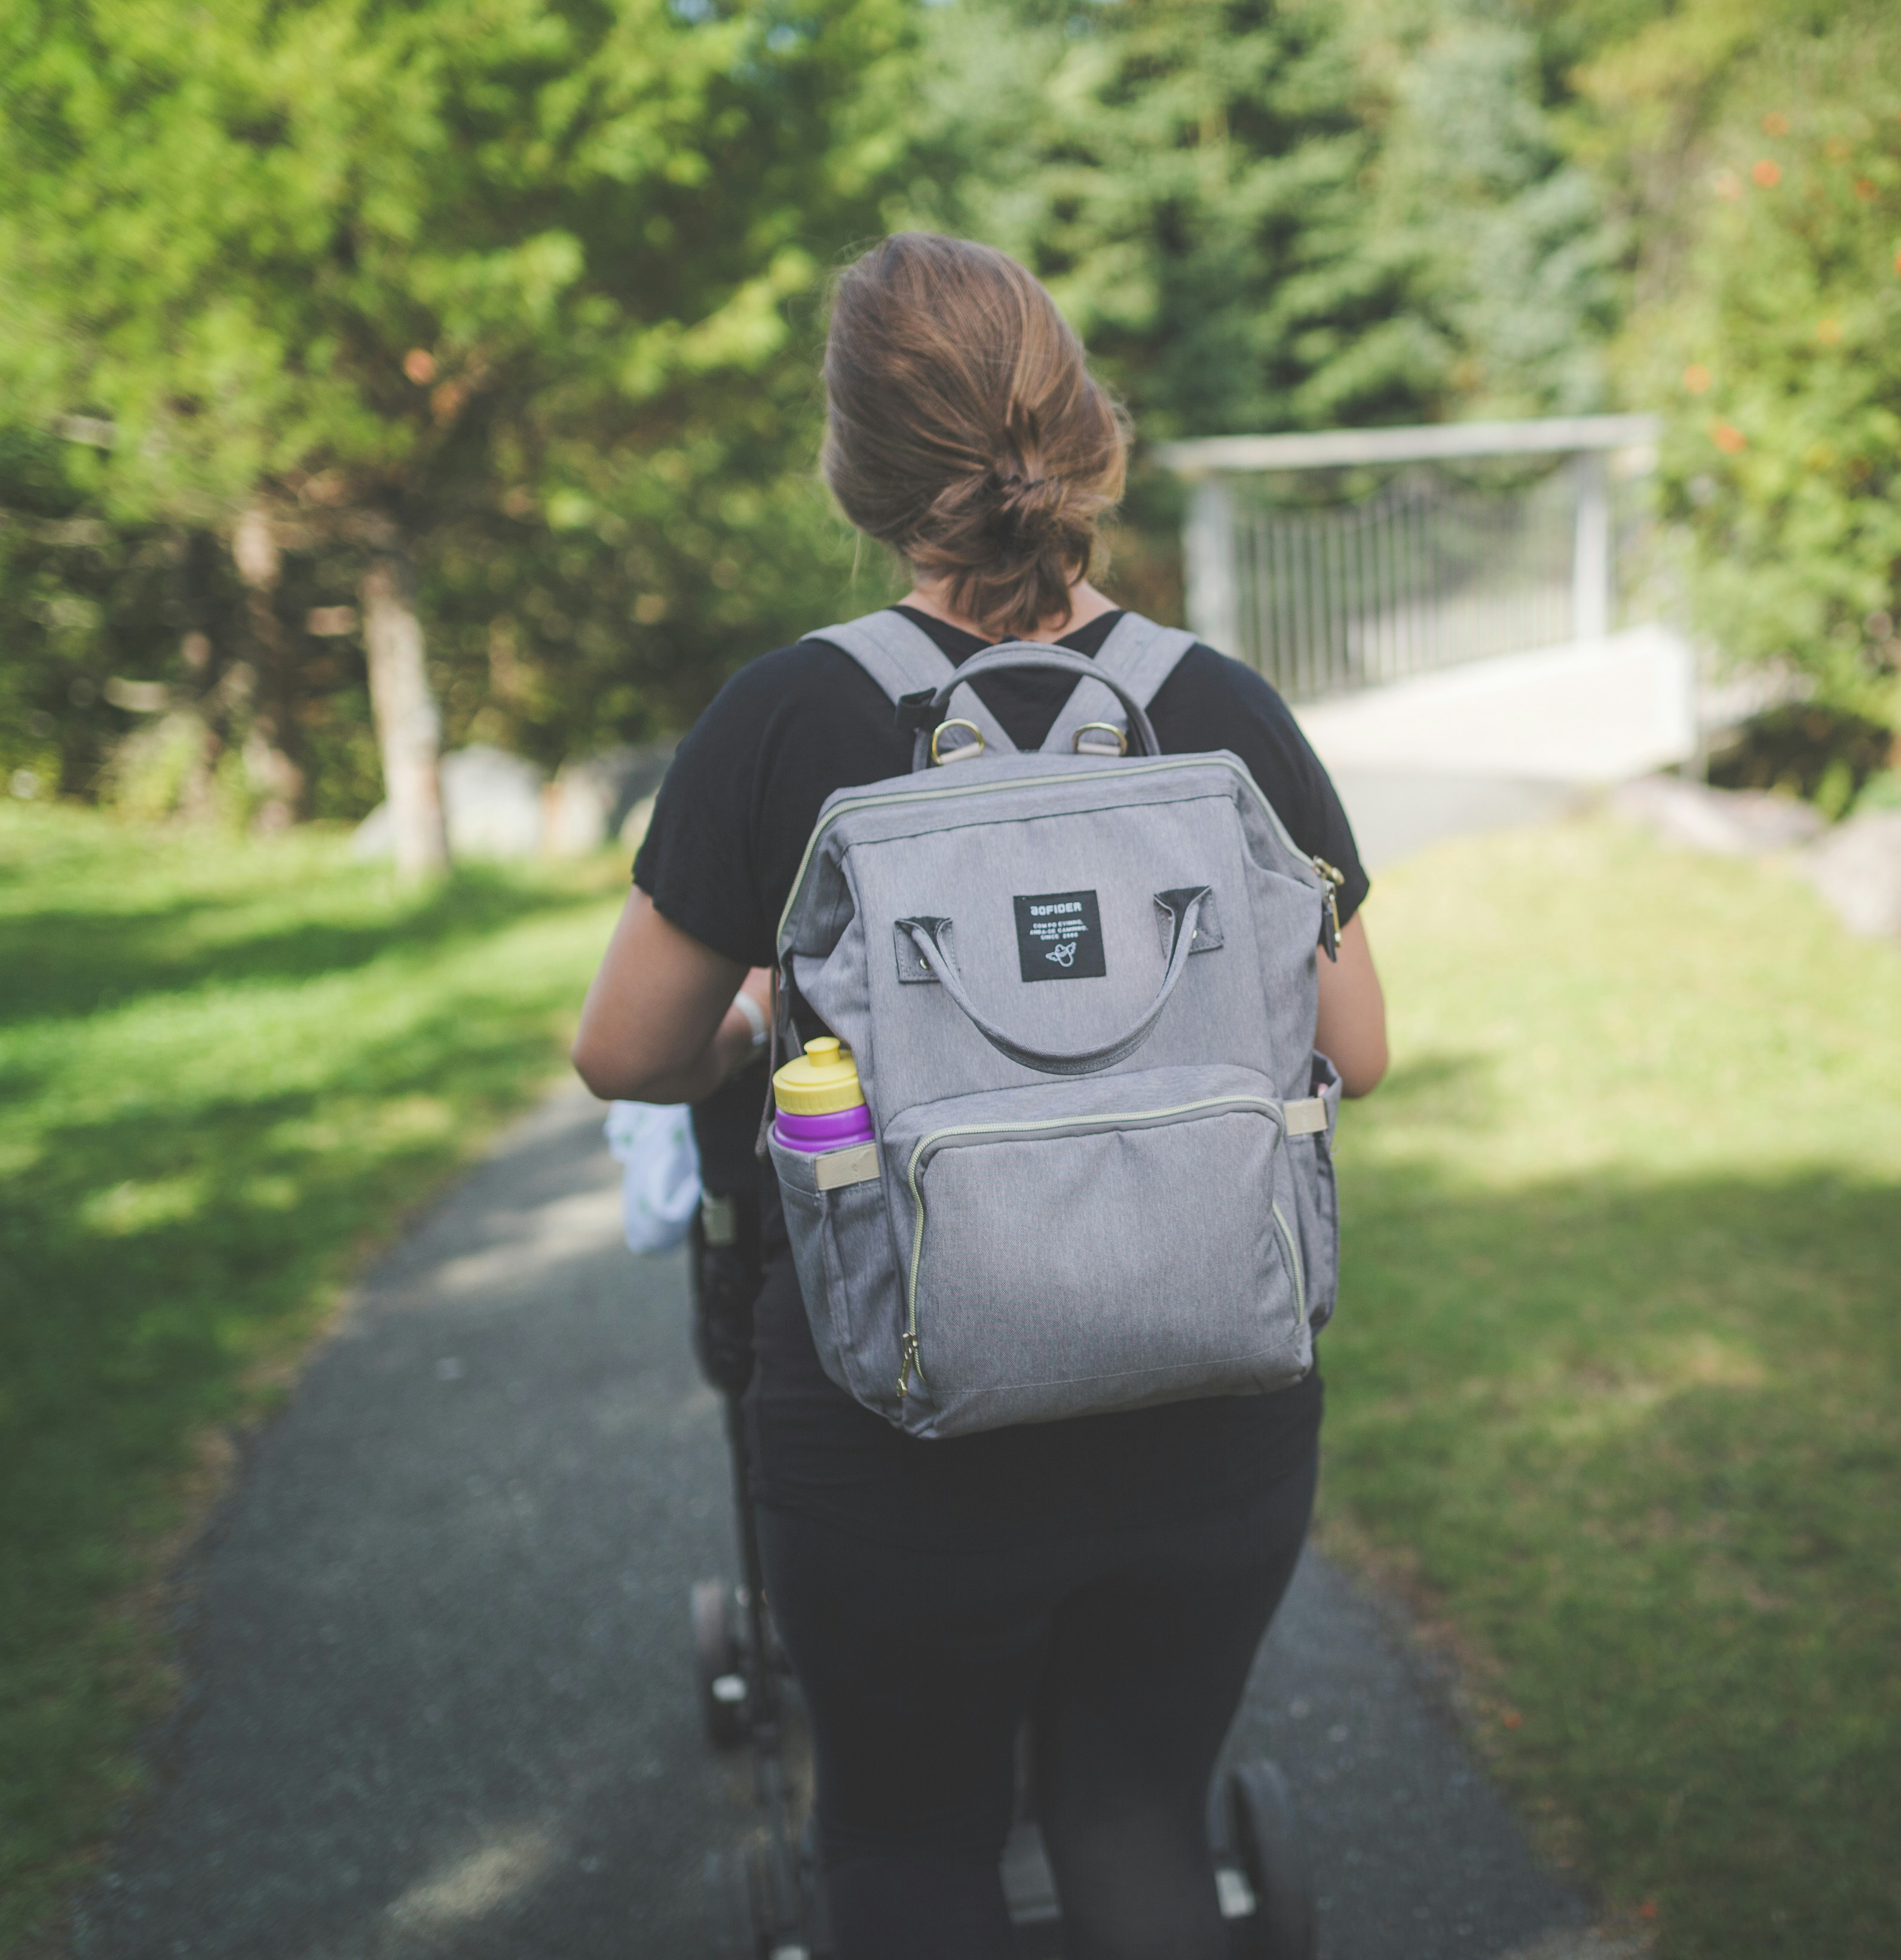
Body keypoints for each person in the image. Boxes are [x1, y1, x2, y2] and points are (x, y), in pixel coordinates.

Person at [570, 230, 1387, 1958]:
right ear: (1078, 426)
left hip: (898, 1421)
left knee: (907, 1843)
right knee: (1135, 1808)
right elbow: (1358, 1049)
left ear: (856, 472)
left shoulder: (784, 720)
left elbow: (626, 1054)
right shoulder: (1223, 710)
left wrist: (753, 1029)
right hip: (1215, 1401)